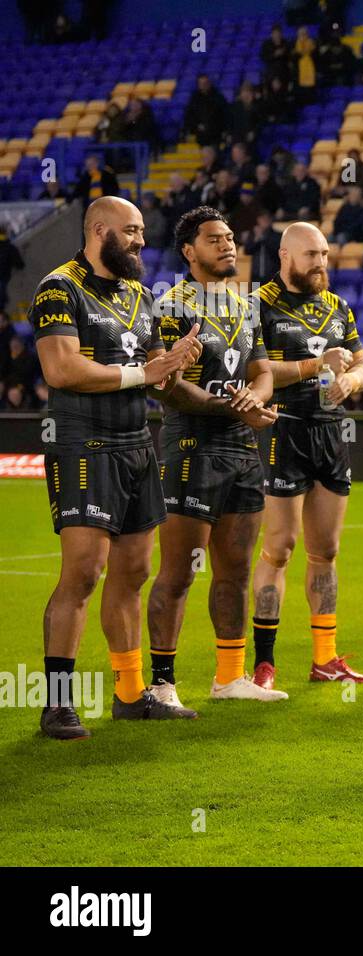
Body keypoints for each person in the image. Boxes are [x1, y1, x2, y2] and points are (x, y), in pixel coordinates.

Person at [32, 196, 204, 738]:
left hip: (136, 443)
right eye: (131, 232)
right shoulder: (59, 287)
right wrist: (144, 373)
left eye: (142, 232)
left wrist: (176, 368)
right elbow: (62, 369)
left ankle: (131, 695)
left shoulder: (140, 295)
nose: (140, 242)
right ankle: (57, 703)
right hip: (83, 442)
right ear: (99, 229)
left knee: (132, 572)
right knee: (83, 572)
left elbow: (156, 374)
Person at [146, 207, 282, 706]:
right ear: (189, 251)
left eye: (230, 238)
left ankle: (229, 677)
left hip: (242, 449)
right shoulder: (172, 305)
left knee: (235, 571)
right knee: (178, 572)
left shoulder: (247, 304)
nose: (228, 246)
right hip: (191, 448)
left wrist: (257, 397)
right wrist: (232, 406)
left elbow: (262, 370)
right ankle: (162, 685)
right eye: (214, 239)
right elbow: (168, 387)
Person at [250, 222, 363, 688]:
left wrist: (352, 381)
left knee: (326, 550)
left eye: (324, 254)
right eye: (311, 255)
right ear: (285, 256)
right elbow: (255, 370)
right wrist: (315, 366)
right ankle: (265, 663)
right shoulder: (258, 305)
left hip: (330, 433)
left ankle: (325, 659)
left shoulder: (337, 307)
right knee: (280, 548)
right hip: (282, 430)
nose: (321, 263)